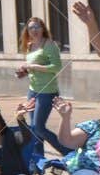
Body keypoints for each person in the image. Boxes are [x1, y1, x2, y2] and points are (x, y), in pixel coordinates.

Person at [16, 17, 71, 154]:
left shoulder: (50, 45)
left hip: (47, 91)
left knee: (38, 127)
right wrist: (24, 71)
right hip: (33, 91)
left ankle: (67, 151)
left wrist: (33, 66)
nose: (34, 30)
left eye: (37, 27)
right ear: (27, 30)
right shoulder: (29, 46)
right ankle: (37, 159)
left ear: (43, 29)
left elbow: (56, 67)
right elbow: (33, 68)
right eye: (31, 28)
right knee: (34, 129)